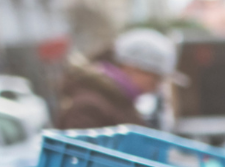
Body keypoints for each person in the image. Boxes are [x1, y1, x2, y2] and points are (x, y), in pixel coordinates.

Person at [55, 28, 185, 130]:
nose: (157, 85)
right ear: (131, 67)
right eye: (155, 77)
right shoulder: (89, 105)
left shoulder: (120, 101)